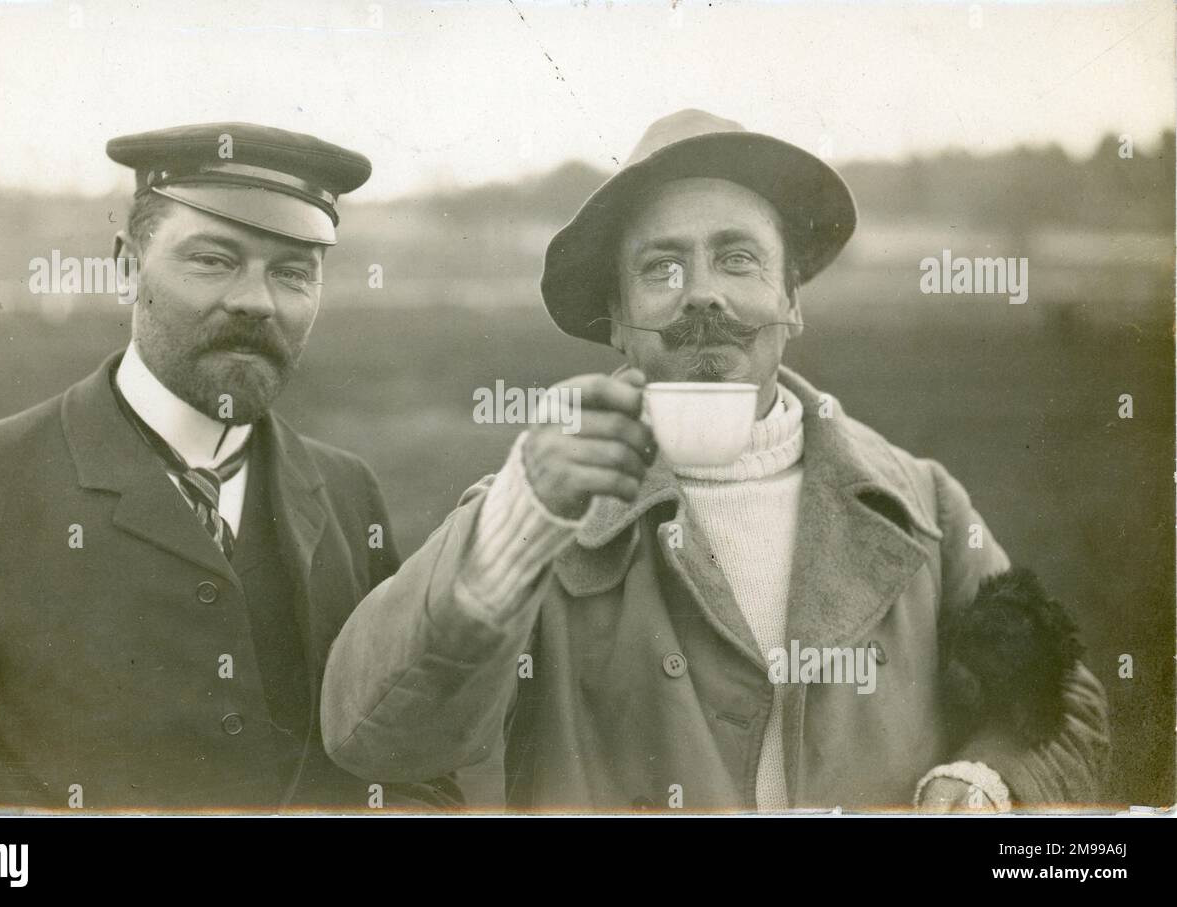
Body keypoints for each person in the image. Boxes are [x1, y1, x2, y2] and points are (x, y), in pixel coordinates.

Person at [319, 110, 1110, 811]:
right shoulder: (536, 512)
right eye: (661, 269)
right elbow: (375, 737)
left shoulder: (923, 506)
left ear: (791, 303)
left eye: (737, 260)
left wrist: (985, 779)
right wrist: (518, 523)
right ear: (620, 325)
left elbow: (1062, 703)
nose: (702, 296)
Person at [0, 122, 413, 810]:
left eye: (292, 272)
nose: (256, 300)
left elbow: (414, 771)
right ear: (128, 265)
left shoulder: (348, 495)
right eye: (214, 260)